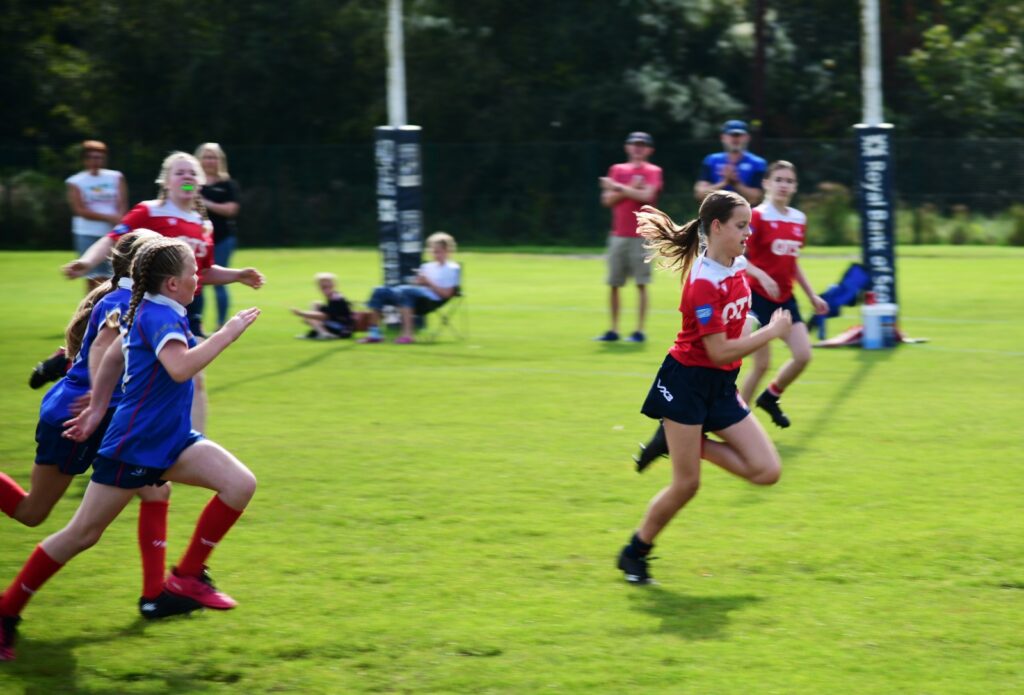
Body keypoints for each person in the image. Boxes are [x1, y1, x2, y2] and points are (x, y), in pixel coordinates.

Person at [0, 238, 261, 662]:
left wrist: (98, 406)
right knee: (80, 534)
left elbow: (116, 352)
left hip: (172, 441)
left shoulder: (155, 311)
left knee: (240, 484)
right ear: (174, 283)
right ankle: (6, 610)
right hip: (134, 448)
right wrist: (227, 334)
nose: (201, 276)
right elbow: (180, 368)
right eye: (195, 272)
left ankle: (187, 576)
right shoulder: (160, 317)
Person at [0, 231, 200, 620]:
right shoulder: (125, 301)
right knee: (32, 513)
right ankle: (9, 610)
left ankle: (154, 595)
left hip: (112, 421)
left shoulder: (139, 301)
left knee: (157, 492)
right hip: (77, 418)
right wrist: (98, 399)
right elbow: (101, 349)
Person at [616, 193, 792, 585]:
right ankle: (635, 553)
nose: (749, 233)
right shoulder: (701, 283)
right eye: (741, 226)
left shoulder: (733, 261)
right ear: (716, 227)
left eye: (749, 225)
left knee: (767, 471)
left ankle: (678, 440)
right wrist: (769, 332)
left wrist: (762, 277)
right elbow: (717, 351)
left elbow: (744, 271)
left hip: (721, 385)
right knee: (687, 485)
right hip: (687, 385)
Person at [62, 151, 265, 433]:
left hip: (179, 311)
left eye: (192, 173)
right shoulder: (148, 211)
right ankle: (98, 410)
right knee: (115, 357)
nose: (187, 177)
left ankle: (192, 443)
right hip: (140, 305)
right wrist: (86, 262)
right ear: (166, 181)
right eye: (180, 172)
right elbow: (112, 240)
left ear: (201, 182)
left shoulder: (202, 224)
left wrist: (237, 275)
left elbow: (201, 272)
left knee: (193, 376)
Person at [739, 161, 829, 428]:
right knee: (761, 364)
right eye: (778, 179)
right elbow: (739, 258)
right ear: (766, 183)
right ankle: (734, 421)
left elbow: (792, 261)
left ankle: (771, 396)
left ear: (795, 186)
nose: (783, 185)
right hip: (756, 297)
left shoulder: (799, 218)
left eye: (789, 181)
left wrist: (812, 295)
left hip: (785, 299)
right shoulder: (756, 216)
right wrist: (763, 276)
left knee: (803, 355)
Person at [595, 132, 663, 343]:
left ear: (649, 150)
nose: (638, 148)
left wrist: (619, 188)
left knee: (641, 283)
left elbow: (646, 196)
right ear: (627, 147)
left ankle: (638, 331)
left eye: (642, 145)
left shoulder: (653, 171)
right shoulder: (617, 169)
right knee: (614, 283)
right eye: (634, 144)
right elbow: (607, 200)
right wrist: (630, 189)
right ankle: (613, 330)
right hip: (618, 235)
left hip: (642, 234)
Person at [359, 232, 460, 345]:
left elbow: (446, 294)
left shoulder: (452, 268)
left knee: (406, 291)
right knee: (379, 291)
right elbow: (418, 286)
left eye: (438, 251)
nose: (435, 254)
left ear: (447, 251)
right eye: (433, 251)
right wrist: (418, 282)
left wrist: (427, 282)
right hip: (414, 294)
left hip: (430, 300)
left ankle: (408, 335)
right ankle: (374, 334)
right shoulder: (426, 266)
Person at [65, 140, 128, 293]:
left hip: (112, 233)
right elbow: (79, 209)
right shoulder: (76, 181)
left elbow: (122, 202)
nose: (95, 161)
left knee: (112, 276)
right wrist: (107, 217)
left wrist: (119, 221)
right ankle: (90, 312)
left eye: (99, 157)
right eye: (92, 157)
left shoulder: (115, 177)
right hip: (87, 232)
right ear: (85, 160)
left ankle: (109, 311)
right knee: (93, 277)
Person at [194, 143, 241, 330]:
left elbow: (231, 209)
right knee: (198, 281)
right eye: (206, 156)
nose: (210, 161)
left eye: (213, 157)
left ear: (220, 160)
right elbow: (182, 198)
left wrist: (205, 202)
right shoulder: (192, 182)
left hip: (222, 239)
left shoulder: (227, 185)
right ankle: (198, 324)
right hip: (197, 239)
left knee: (220, 282)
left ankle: (221, 325)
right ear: (199, 159)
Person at [694, 120, 766, 205]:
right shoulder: (711, 160)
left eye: (739, 135)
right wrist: (723, 183)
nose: (735, 138)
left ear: (747, 137)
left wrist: (736, 184)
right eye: (731, 135)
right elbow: (700, 194)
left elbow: (757, 198)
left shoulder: (758, 163)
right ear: (722, 137)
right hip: (715, 214)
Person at [292, 272, 356, 339]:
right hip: (339, 325)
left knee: (309, 317)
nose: (326, 290)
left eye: (329, 286)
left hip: (342, 329)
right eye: (323, 287)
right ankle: (321, 332)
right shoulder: (333, 296)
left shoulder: (336, 299)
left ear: (334, 285)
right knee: (315, 304)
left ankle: (324, 334)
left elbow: (325, 316)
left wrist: (301, 313)